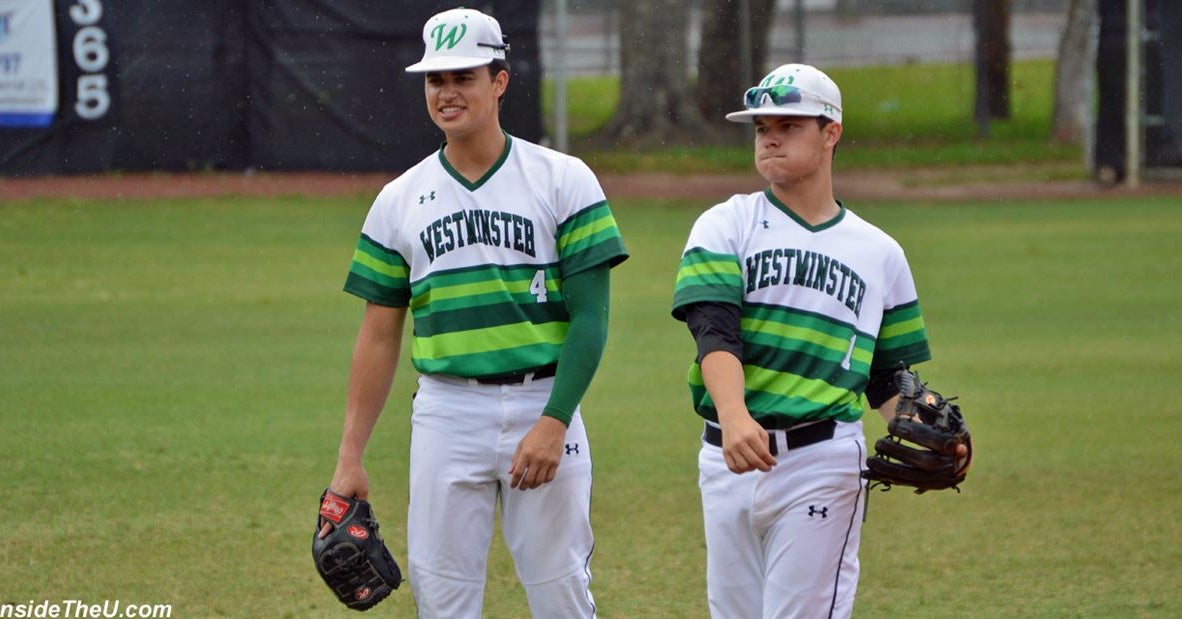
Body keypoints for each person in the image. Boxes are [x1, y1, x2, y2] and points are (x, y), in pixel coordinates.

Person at [321, 7, 628, 618]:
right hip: (445, 411)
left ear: (500, 80)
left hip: (543, 402)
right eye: (436, 79)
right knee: (441, 596)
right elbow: (379, 336)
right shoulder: (398, 200)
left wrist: (555, 419)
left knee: (561, 591)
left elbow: (591, 318)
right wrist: (349, 457)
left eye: (463, 76)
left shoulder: (563, 179)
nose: (447, 92)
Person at [671, 63, 936, 618]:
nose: (769, 136)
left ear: (830, 132)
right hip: (726, 457)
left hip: (823, 461)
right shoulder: (725, 224)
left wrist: (925, 422)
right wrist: (736, 413)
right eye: (761, 126)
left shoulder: (879, 252)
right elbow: (713, 332)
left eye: (789, 124)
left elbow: (888, 374)